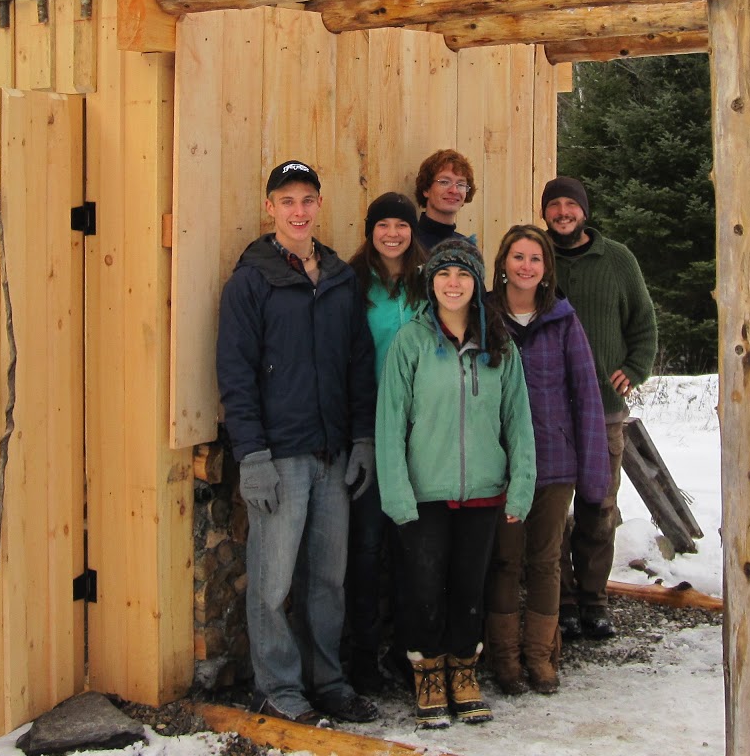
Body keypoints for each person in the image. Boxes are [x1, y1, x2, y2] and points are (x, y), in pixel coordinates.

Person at [216, 160, 380, 724]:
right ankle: (276, 687)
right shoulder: (251, 281)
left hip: (333, 455)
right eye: (287, 201)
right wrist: (251, 455)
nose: (299, 211)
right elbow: (235, 374)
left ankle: (326, 681)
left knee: (326, 581)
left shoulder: (339, 278)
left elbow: (359, 363)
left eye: (307, 199)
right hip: (281, 456)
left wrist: (363, 438)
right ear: (270, 208)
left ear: (318, 205)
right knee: (273, 580)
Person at [377, 237, 535, 728]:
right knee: (423, 588)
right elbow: (390, 422)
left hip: (483, 492)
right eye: (444, 274)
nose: (453, 283)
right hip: (424, 493)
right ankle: (428, 678)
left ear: (477, 283)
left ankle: (464, 673)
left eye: (463, 275)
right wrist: (397, 493)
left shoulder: (499, 344)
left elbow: (519, 419)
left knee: (469, 587)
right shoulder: (412, 342)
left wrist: (522, 484)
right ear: (432, 281)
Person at [484, 224, 610, 694]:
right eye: (518, 257)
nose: (526, 266)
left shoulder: (562, 320)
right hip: (498, 464)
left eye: (535, 259)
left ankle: (540, 656)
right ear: (503, 264)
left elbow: (586, 395)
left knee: (545, 562)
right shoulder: (485, 318)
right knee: (504, 561)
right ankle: (504, 659)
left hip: (554, 461)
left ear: (545, 268)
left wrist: (593, 474)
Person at [541, 175, 658, 643]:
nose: (563, 213)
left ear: (584, 212)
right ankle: (562, 602)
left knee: (598, 507)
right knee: (553, 513)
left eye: (571, 205)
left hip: (604, 410)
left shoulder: (617, 260)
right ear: (545, 212)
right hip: (549, 411)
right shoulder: (535, 256)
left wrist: (634, 367)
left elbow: (644, 324)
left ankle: (594, 599)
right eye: (555, 206)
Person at [343, 191, 427, 693]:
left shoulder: (428, 281)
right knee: (368, 545)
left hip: (420, 432)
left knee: (412, 544)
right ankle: (362, 655)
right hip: (372, 430)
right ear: (370, 230)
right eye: (383, 225)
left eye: (401, 225)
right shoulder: (353, 283)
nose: (393, 233)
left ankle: (407, 650)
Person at [412, 149, 476, 251]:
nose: (454, 191)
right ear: (426, 189)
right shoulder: (409, 243)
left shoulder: (467, 249)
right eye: (444, 182)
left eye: (461, 184)